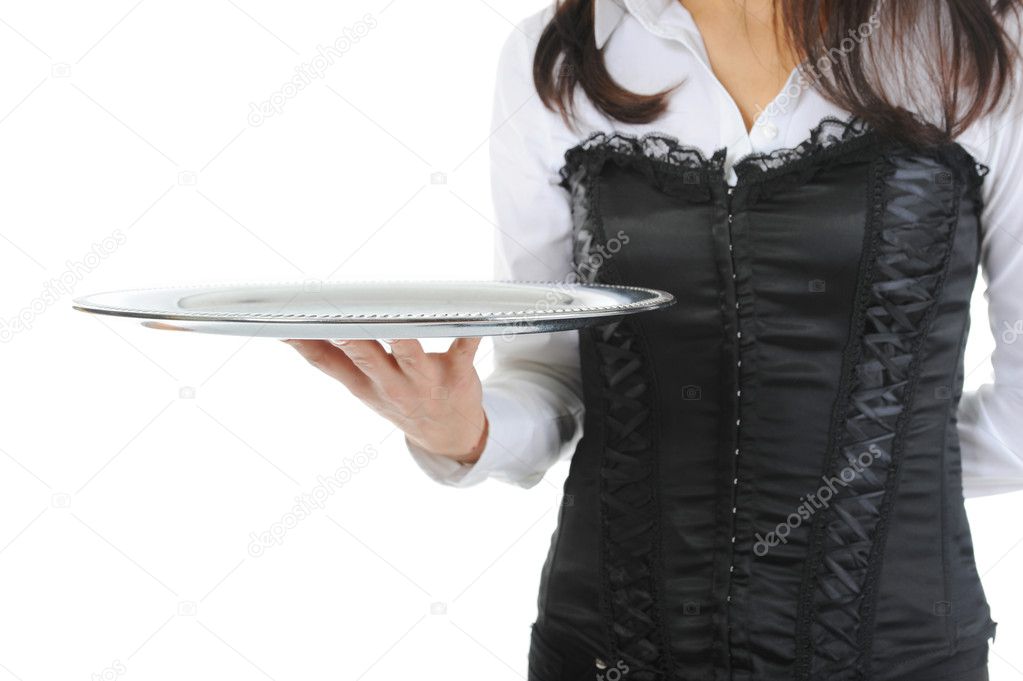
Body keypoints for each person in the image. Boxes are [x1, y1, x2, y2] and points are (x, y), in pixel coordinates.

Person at [285, 1, 1023, 678]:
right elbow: (552, 371)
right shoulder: (563, 53)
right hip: (603, 644)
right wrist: (462, 430)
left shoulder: (981, 44)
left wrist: (881, 478)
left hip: (897, 651)